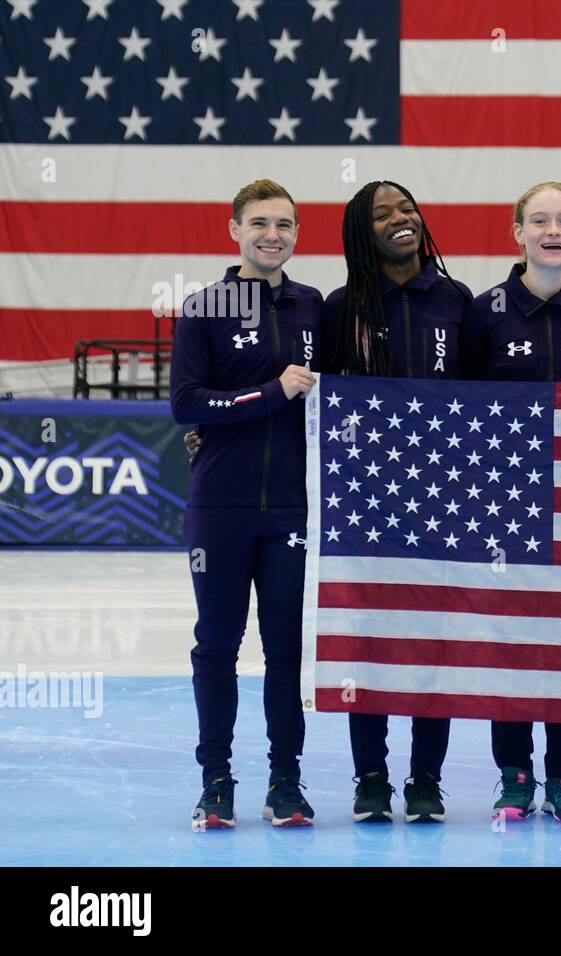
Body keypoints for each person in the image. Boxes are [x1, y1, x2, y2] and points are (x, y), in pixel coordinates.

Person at [170, 179, 323, 829]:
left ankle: (285, 781)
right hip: (220, 508)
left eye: (285, 224)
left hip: (288, 508)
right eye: (260, 222)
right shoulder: (203, 309)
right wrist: (271, 393)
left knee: (285, 647)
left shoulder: (314, 307)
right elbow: (185, 405)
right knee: (216, 645)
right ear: (234, 229)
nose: (273, 234)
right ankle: (217, 781)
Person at [462, 181, 561, 821]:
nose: (553, 230)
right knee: (513, 641)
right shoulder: (485, 310)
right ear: (517, 233)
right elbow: (459, 405)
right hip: (504, 503)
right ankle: (515, 774)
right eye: (540, 220)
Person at [321, 180, 473, 824]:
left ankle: (427, 780)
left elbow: (485, 397)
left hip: (444, 501)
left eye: (406, 208)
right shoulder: (340, 307)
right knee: (370, 642)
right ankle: (372, 778)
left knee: (433, 642)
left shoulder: (456, 298)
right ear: (363, 232)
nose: (400, 219)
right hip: (366, 500)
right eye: (382, 214)